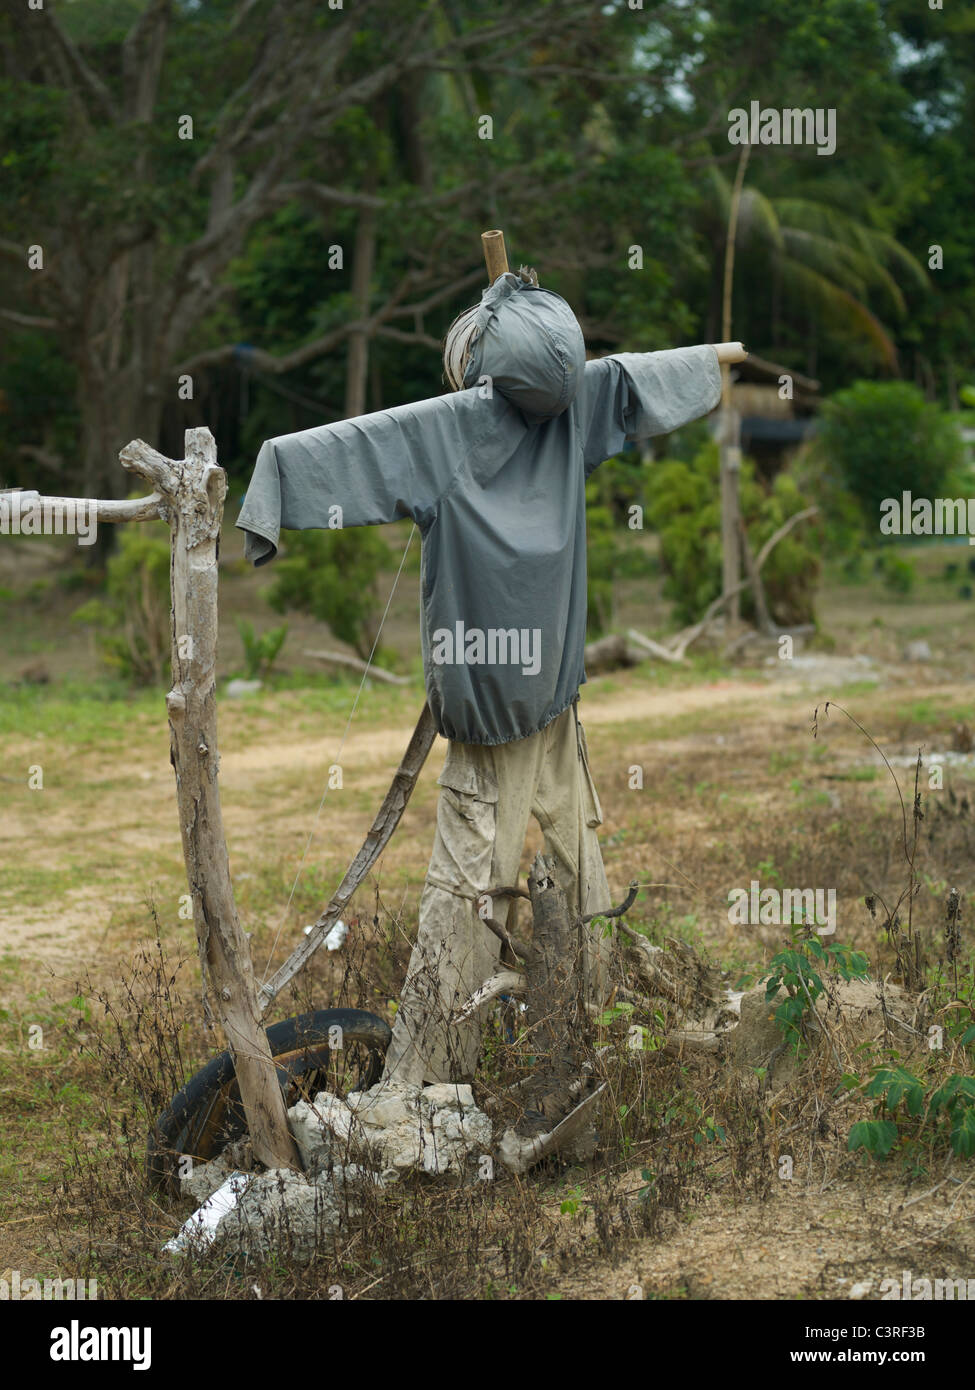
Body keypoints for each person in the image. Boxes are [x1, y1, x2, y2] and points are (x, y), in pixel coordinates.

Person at [237, 269, 731, 1086]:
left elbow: (338, 449)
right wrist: (713, 365)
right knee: (575, 869)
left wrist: (267, 493)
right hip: (554, 695)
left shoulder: (448, 427)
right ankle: (593, 1019)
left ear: (475, 363)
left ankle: (437, 1073)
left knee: (470, 895)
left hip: (492, 713)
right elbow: (653, 375)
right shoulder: (578, 409)